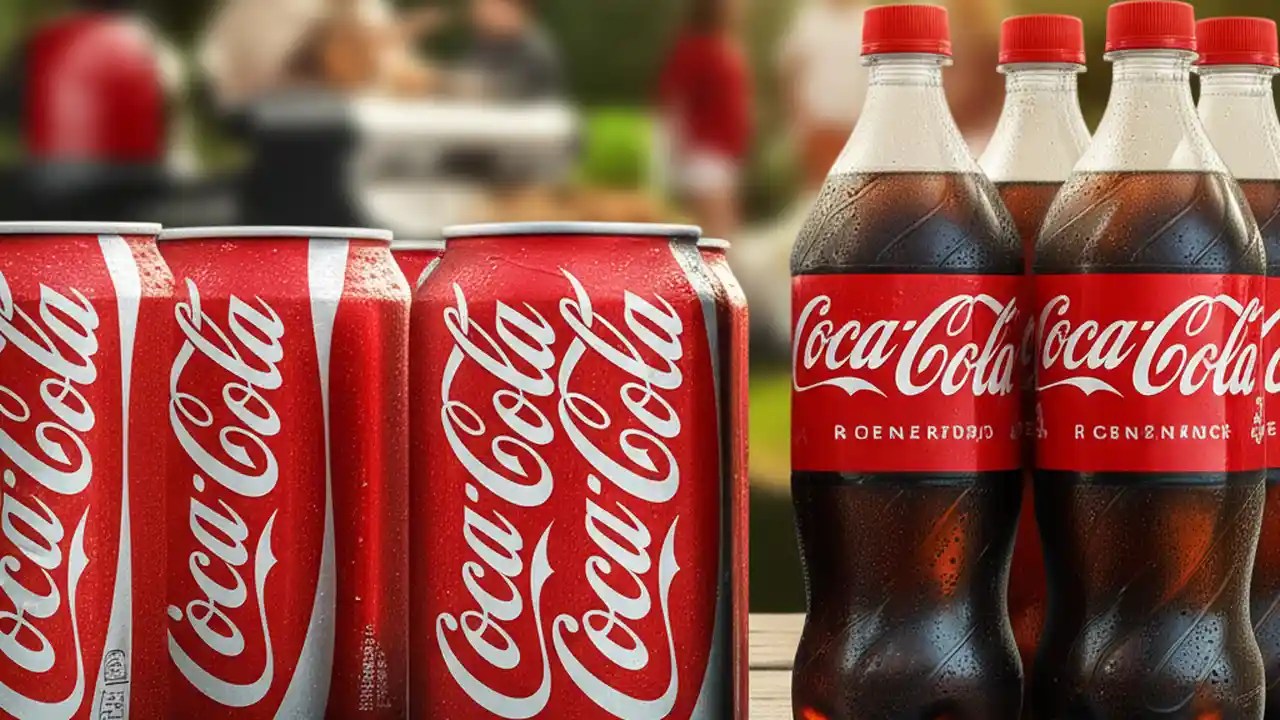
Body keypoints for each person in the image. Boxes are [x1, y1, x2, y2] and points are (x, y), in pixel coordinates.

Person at [657, 0, 753, 239]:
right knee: (717, 236)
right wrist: (675, 159)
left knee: (722, 234)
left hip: (722, 159)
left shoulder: (723, 45)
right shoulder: (695, 49)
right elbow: (674, 103)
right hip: (705, 161)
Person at [778, 0, 867, 190]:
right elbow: (791, 72)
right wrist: (801, 123)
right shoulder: (810, 19)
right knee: (818, 197)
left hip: (856, 131)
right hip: (818, 130)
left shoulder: (868, 21)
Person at [464, 0, 565, 101]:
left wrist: (456, 85)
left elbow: (508, 91)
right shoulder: (491, 42)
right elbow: (472, 72)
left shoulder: (535, 50)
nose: (478, 15)